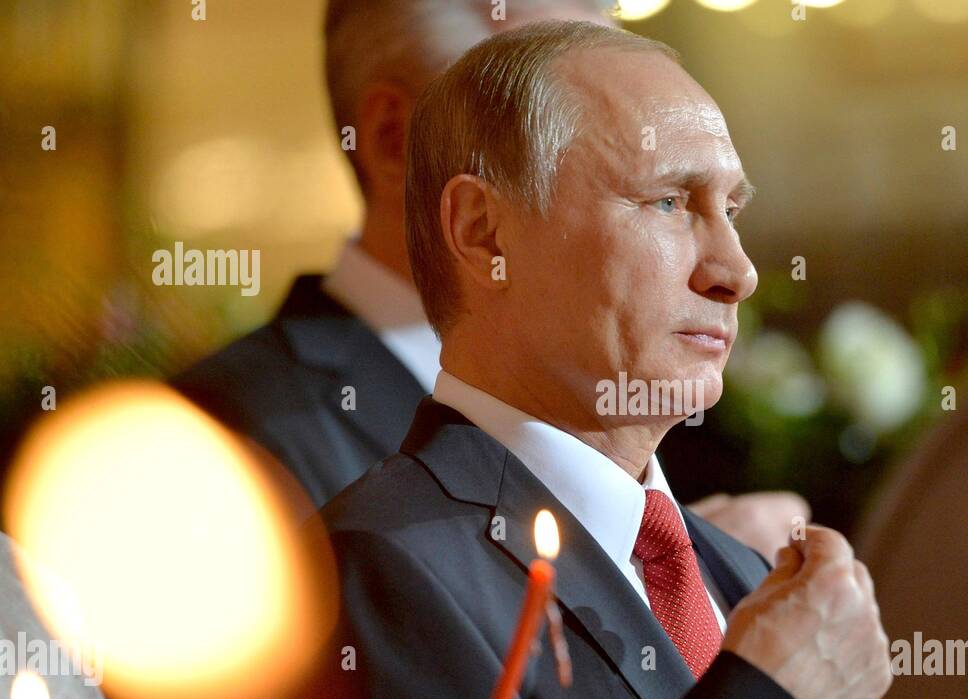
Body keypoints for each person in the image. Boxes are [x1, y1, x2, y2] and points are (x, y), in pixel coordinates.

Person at [323, 19, 894, 699]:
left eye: (733, 209)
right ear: (483, 231)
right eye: (668, 201)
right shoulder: (373, 571)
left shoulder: (735, 572)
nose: (738, 271)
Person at [171, 0, 807, 562]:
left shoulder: (641, 388)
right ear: (395, 139)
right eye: (525, 83)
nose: (736, 273)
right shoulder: (210, 438)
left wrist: (692, 585)